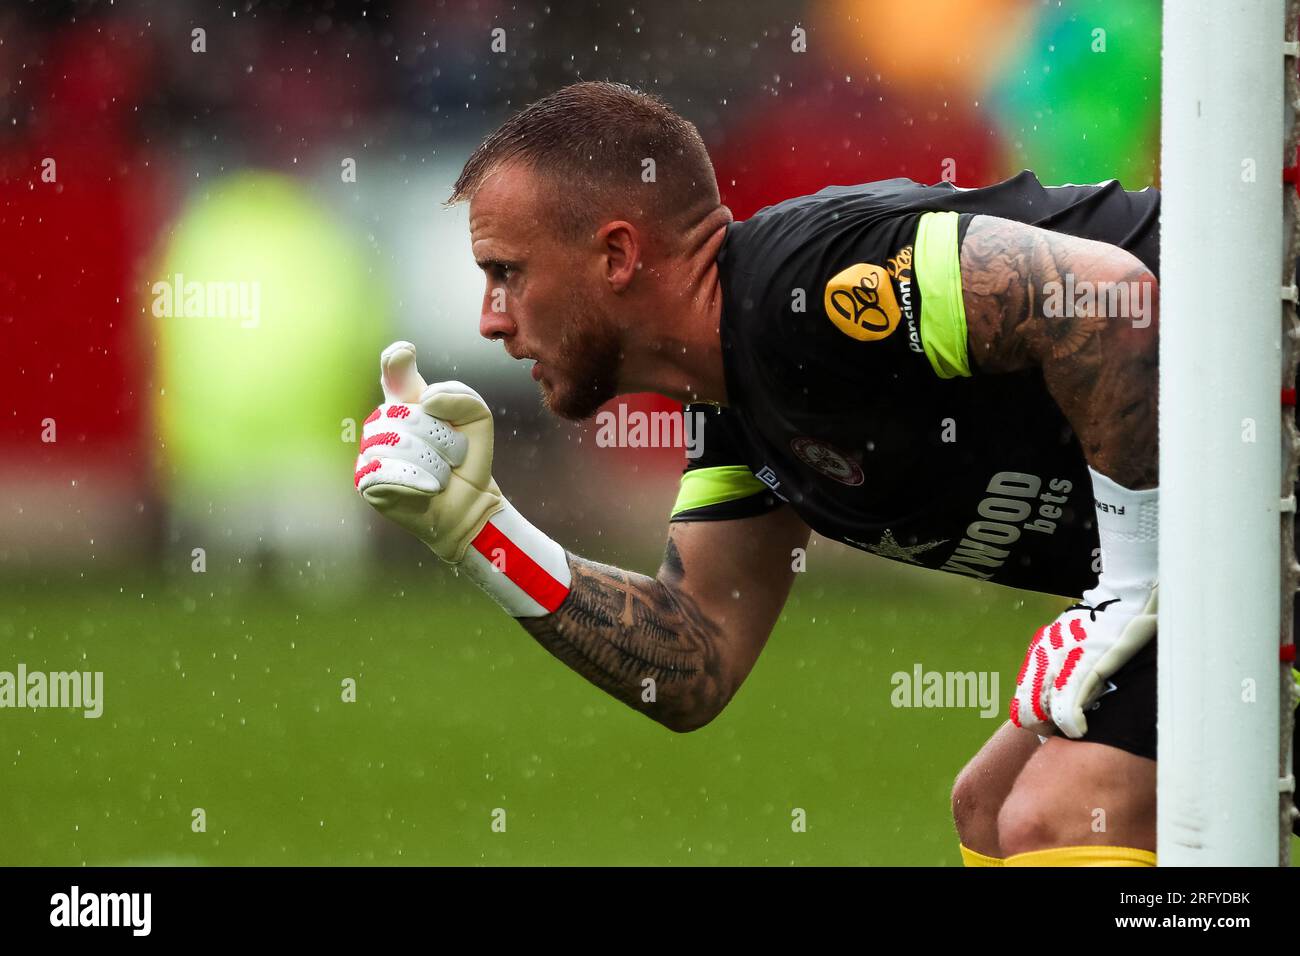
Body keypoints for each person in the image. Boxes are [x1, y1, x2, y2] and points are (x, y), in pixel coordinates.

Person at [352, 81, 1284, 865]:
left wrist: (1132, 586)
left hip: (1262, 457)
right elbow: (693, 661)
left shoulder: (804, 291)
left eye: (505, 272)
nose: (489, 319)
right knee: (991, 814)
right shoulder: (735, 406)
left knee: (1060, 810)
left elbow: (1111, 300)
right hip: (1232, 530)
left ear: (618, 254)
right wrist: (480, 531)